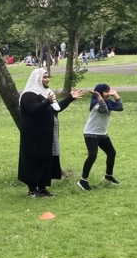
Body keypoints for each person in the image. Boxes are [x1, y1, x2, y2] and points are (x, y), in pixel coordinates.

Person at [18, 68, 84, 198]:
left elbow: (56, 109)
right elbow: (34, 110)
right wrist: (46, 102)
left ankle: (42, 188)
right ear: (37, 79)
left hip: (46, 134)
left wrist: (70, 98)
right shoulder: (28, 95)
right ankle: (32, 190)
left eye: (48, 77)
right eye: (44, 77)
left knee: (45, 159)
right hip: (33, 135)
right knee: (33, 159)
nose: (47, 79)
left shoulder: (46, 93)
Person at [78, 83, 123, 191]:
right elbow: (104, 109)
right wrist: (98, 97)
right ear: (98, 92)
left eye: (108, 91)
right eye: (105, 92)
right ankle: (83, 181)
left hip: (102, 134)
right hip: (91, 134)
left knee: (111, 153)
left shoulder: (108, 102)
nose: (107, 94)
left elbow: (120, 107)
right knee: (92, 155)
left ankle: (108, 176)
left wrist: (115, 94)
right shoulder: (95, 103)